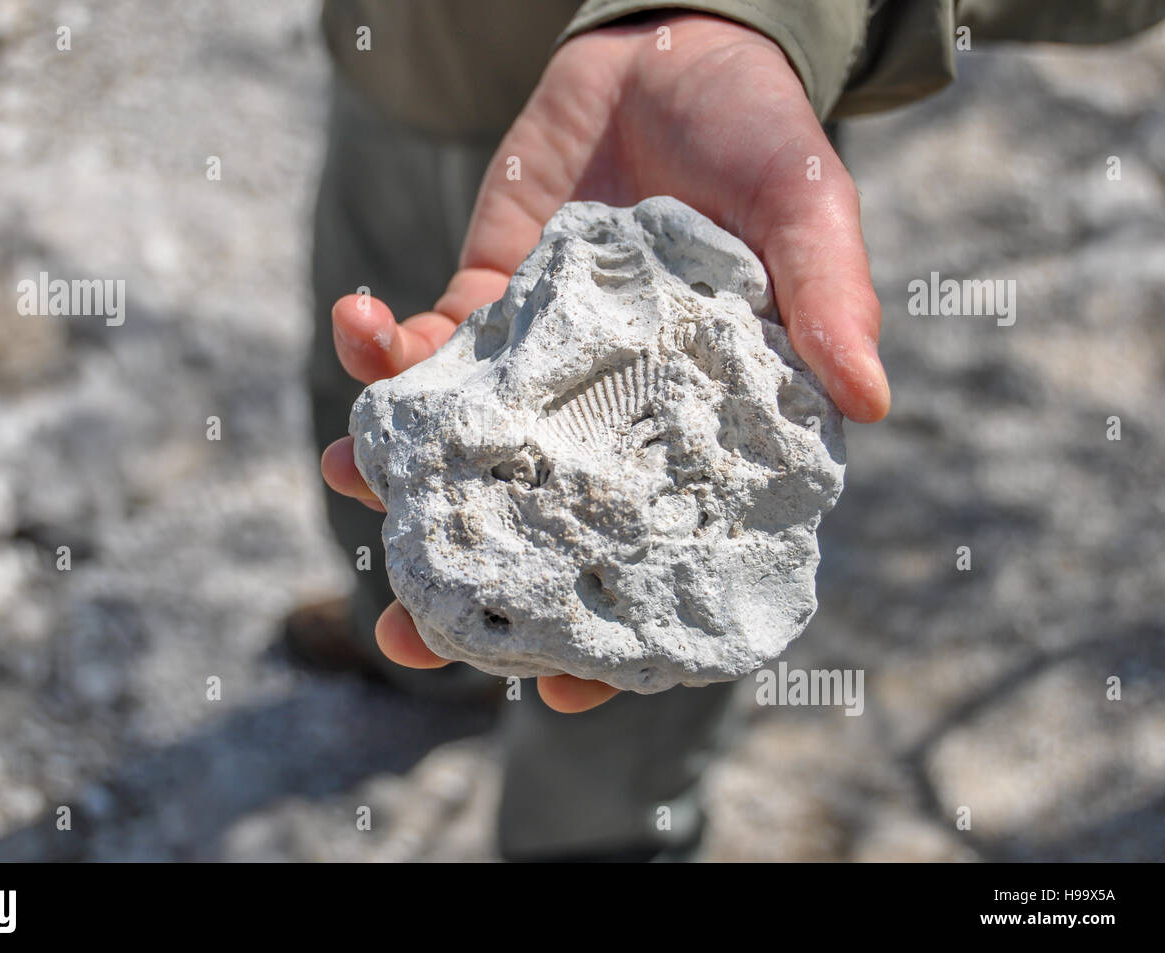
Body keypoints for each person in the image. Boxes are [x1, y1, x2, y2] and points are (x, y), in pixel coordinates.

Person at [303, 0, 1165, 861]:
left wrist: (753, 15)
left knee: (615, 717)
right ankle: (418, 651)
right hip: (403, 55)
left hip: (685, 118)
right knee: (365, 376)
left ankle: (605, 837)